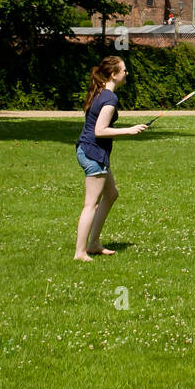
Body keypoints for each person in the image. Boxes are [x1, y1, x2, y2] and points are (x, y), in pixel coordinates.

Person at [75, 57, 147, 261]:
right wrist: (130, 130)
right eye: (124, 70)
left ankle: (94, 243)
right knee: (90, 204)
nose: (127, 73)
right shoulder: (109, 98)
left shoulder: (101, 93)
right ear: (114, 75)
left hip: (91, 151)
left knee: (111, 193)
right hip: (93, 153)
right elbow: (100, 131)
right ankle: (80, 252)